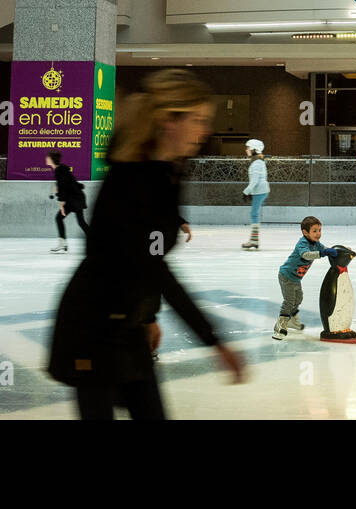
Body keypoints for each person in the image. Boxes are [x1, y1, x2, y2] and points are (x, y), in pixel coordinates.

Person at [48, 70, 245, 419]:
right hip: (92, 327)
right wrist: (213, 340)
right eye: (197, 120)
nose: (204, 131)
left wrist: (147, 313)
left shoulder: (166, 172)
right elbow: (150, 265)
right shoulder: (133, 179)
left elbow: (145, 257)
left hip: (126, 323)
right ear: (168, 119)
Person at [273, 216, 341, 340]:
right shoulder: (302, 243)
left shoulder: (316, 243)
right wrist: (322, 254)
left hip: (296, 278)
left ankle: (291, 320)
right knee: (289, 301)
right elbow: (306, 255)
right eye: (314, 231)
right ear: (305, 232)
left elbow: (325, 249)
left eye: (320, 230)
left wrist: (338, 250)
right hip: (286, 275)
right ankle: (280, 324)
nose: (318, 233)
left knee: (298, 299)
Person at [46, 151, 89, 253]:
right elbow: (66, 183)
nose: (46, 158)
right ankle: (63, 244)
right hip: (76, 197)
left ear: (52, 159)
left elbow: (63, 187)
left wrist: (61, 203)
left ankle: (63, 244)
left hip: (75, 198)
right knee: (80, 222)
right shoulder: (62, 169)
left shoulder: (59, 170)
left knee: (61, 218)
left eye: (48, 157)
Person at [240, 138, 268, 250]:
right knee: (254, 214)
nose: (246, 150)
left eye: (248, 148)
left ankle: (254, 241)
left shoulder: (256, 162)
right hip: (260, 190)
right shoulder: (257, 161)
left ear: (254, 149)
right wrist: (251, 191)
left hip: (260, 191)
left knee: (254, 214)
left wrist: (246, 192)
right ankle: (254, 240)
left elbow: (255, 181)